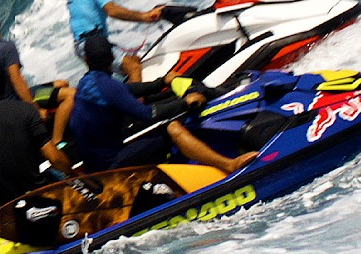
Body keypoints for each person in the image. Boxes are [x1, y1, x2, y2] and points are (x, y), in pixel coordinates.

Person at [69, 35, 257, 174]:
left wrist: (162, 82)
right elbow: (148, 114)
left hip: (97, 163)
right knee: (171, 128)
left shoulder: (88, 82)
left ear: (86, 60)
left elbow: (127, 91)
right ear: (112, 58)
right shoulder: (107, 85)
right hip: (112, 167)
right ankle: (228, 165)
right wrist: (185, 102)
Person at [0, 61, 75, 210]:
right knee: (55, 175)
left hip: (0, 205)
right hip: (34, 193)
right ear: (6, 82)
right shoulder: (26, 111)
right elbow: (53, 158)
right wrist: (73, 174)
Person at [0, 8, 75, 147]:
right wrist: (36, 110)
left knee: (61, 83)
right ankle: (57, 141)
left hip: (0, 105)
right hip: (15, 100)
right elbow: (17, 80)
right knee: (70, 94)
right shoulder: (7, 47)